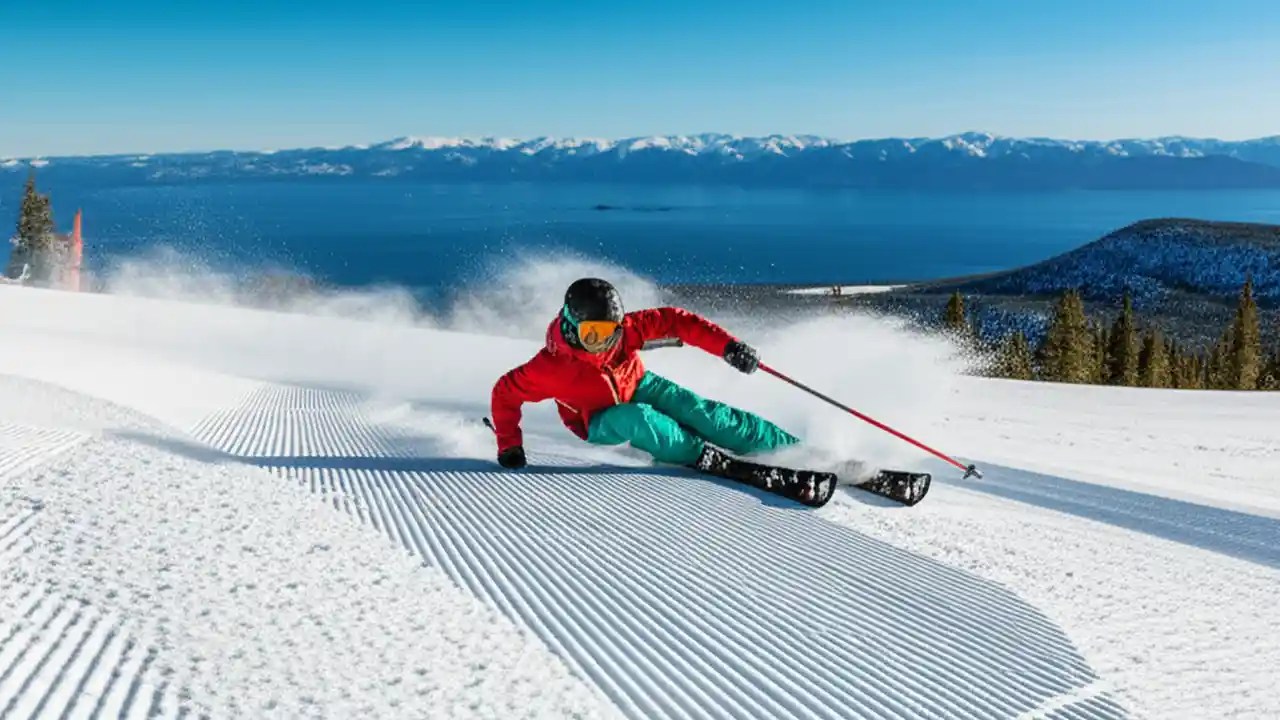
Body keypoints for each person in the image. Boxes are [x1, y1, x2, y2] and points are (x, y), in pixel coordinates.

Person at [490, 277, 801, 478]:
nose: (603, 342)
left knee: (700, 412)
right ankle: (698, 453)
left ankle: (787, 447)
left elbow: (677, 322)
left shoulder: (626, 332)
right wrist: (509, 445)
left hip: (638, 383)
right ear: (572, 326)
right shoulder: (550, 368)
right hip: (595, 420)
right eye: (592, 334)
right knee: (639, 419)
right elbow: (505, 393)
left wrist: (729, 347)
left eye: (610, 332)